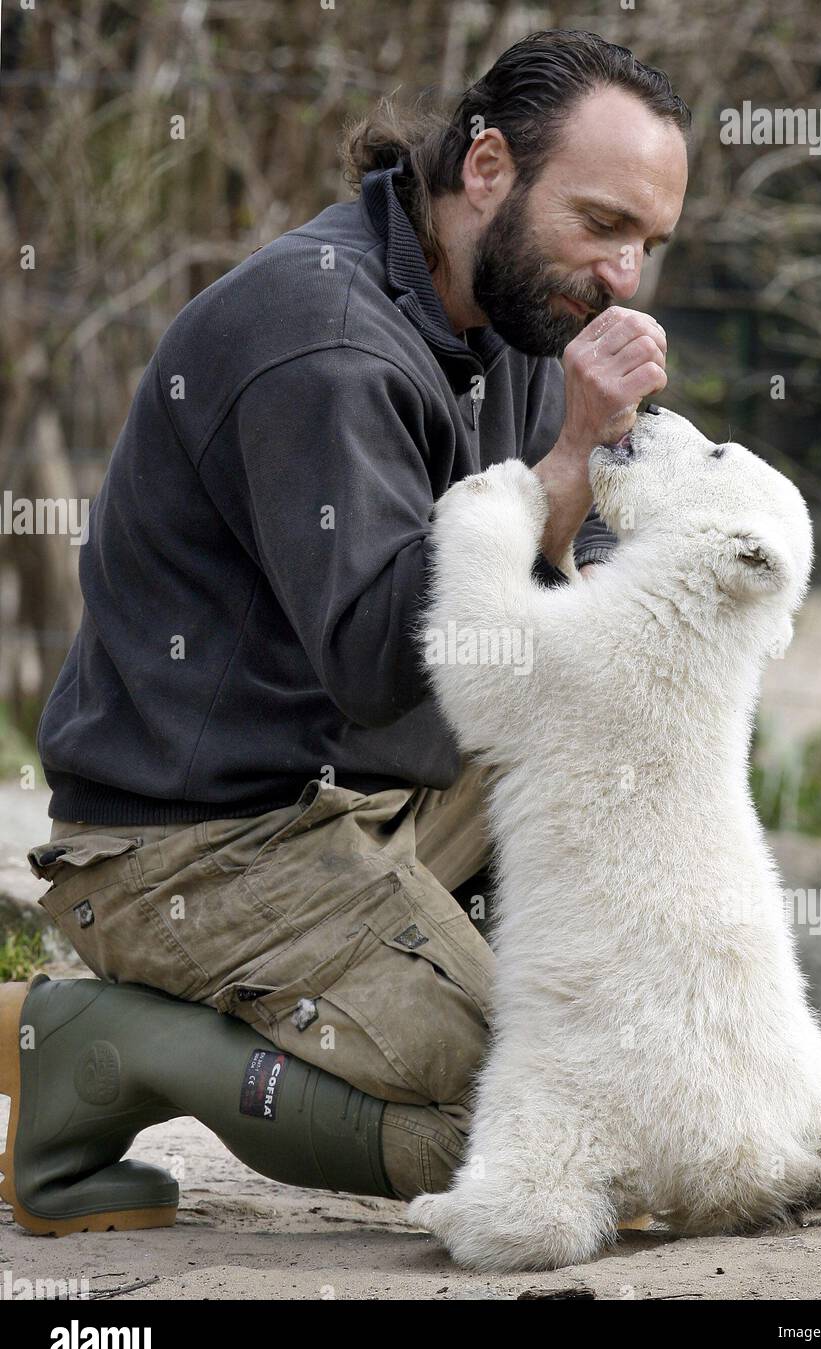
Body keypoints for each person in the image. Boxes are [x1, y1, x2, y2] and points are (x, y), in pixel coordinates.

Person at [2, 28, 689, 1236]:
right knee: (543, 1137)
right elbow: (382, 665)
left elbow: (556, 605)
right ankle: (104, 1042)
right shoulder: (318, 343)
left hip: (375, 791)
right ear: (486, 168)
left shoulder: (517, 319)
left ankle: (445, 971)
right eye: (601, 223)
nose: (623, 275)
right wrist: (571, 465)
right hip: (201, 839)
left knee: (645, 780)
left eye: (647, 243)